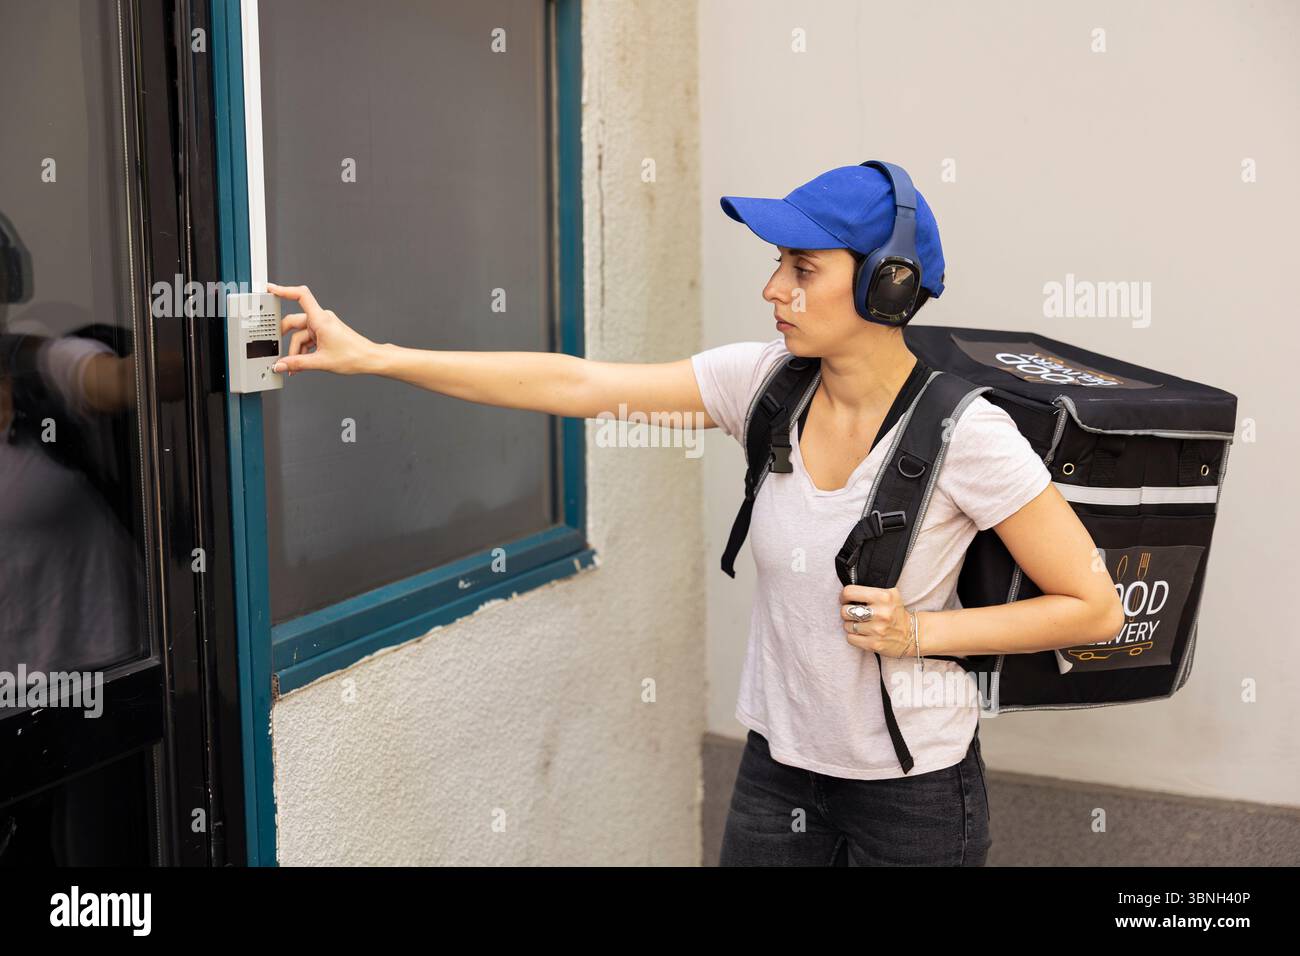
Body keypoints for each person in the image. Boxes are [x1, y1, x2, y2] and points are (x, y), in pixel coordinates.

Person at [263, 163, 1125, 867]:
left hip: (915, 793)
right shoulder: (763, 384)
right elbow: (580, 385)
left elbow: (1094, 607)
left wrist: (920, 636)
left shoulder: (969, 435)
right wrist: (373, 357)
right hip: (778, 771)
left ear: (886, 286)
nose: (772, 289)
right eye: (777, 265)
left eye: (801, 269)